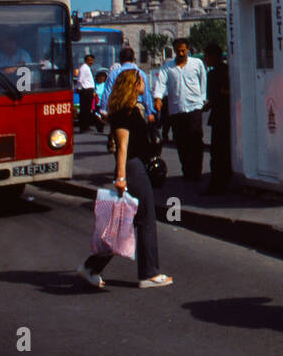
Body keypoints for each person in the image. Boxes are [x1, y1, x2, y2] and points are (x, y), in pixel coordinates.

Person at [78, 69, 172, 289]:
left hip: (136, 167)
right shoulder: (124, 113)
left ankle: (91, 267)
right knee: (146, 219)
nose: (144, 83)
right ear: (133, 84)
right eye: (140, 80)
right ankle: (149, 274)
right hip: (132, 169)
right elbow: (122, 147)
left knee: (124, 222)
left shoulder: (131, 110)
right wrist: (120, 177)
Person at [154, 37, 208, 181]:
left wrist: (202, 100)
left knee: (196, 139)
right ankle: (187, 170)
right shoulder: (168, 67)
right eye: (178, 51)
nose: (181, 53)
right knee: (181, 141)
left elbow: (203, 82)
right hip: (176, 109)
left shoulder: (197, 64)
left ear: (188, 50)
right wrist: (158, 98)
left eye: (183, 50)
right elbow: (161, 83)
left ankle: (197, 171)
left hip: (194, 107)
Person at [202, 44, 232, 195]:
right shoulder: (228, 70)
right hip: (228, 115)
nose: (206, 60)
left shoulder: (214, 74)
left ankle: (217, 184)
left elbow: (214, 96)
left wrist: (207, 106)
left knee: (218, 152)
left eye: (207, 56)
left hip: (220, 116)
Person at [75, 53, 97, 133]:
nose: (92, 62)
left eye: (92, 60)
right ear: (86, 60)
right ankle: (84, 127)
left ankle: (86, 126)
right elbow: (80, 80)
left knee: (87, 109)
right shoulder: (84, 68)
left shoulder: (87, 68)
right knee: (84, 110)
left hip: (88, 90)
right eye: (90, 60)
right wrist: (78, 88)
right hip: (85, 91)